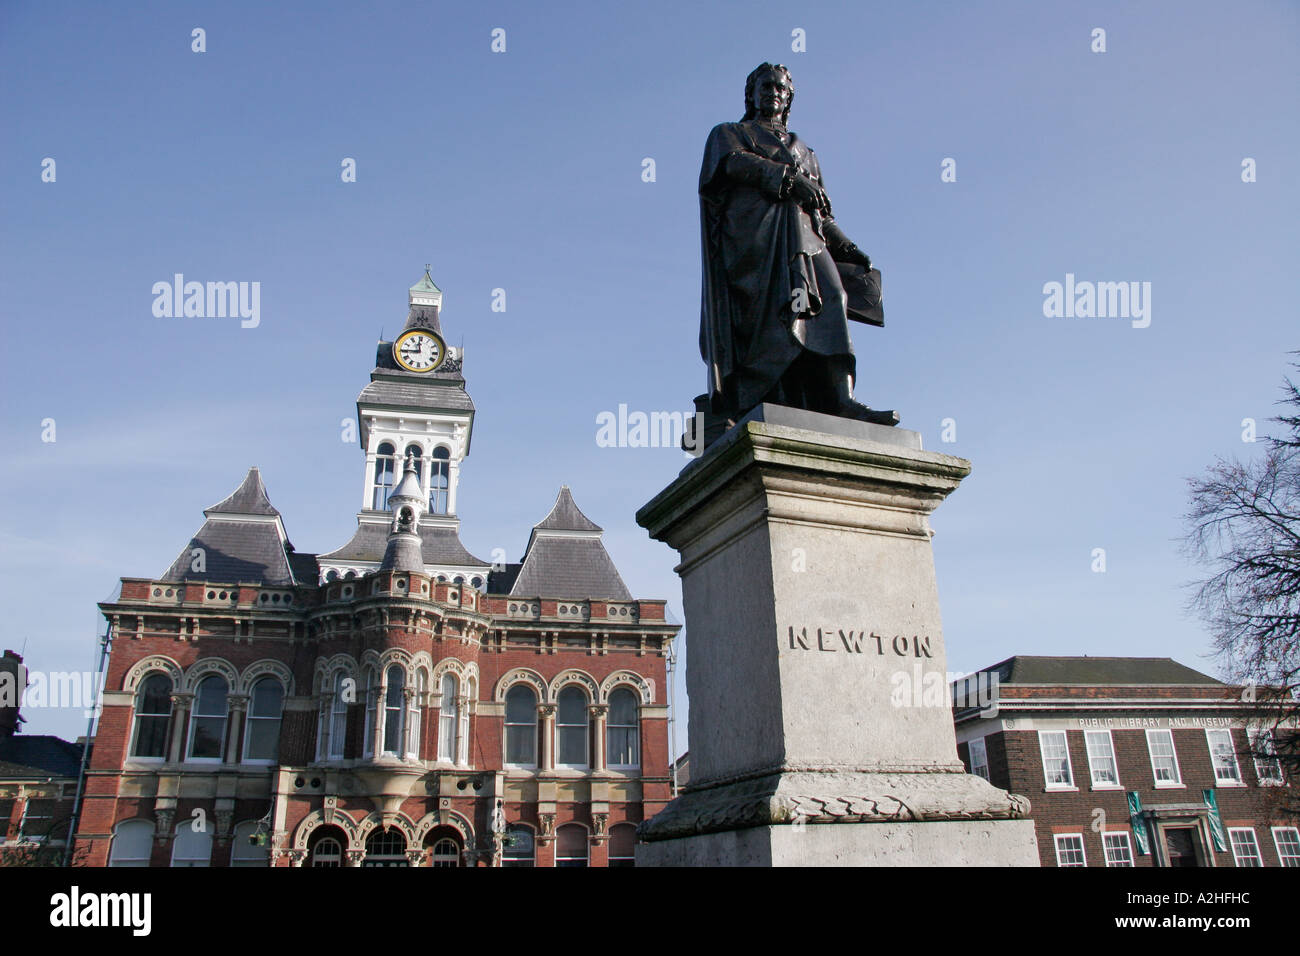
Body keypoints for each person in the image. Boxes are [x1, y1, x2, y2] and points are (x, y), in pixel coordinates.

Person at [698, 63, 897, 427]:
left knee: (832, 299)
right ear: (751, 94)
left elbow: (823, 212)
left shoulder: (805, 150)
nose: (773, 92)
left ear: (788, 98)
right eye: (765, 86)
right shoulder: (729, 133)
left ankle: (842, 400)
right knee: (777, 314)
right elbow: (732, 164)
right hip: (757, 243)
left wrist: (848, 248)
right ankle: (766, 396)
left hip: (806, 239)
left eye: (780, 88)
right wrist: (788, 179)